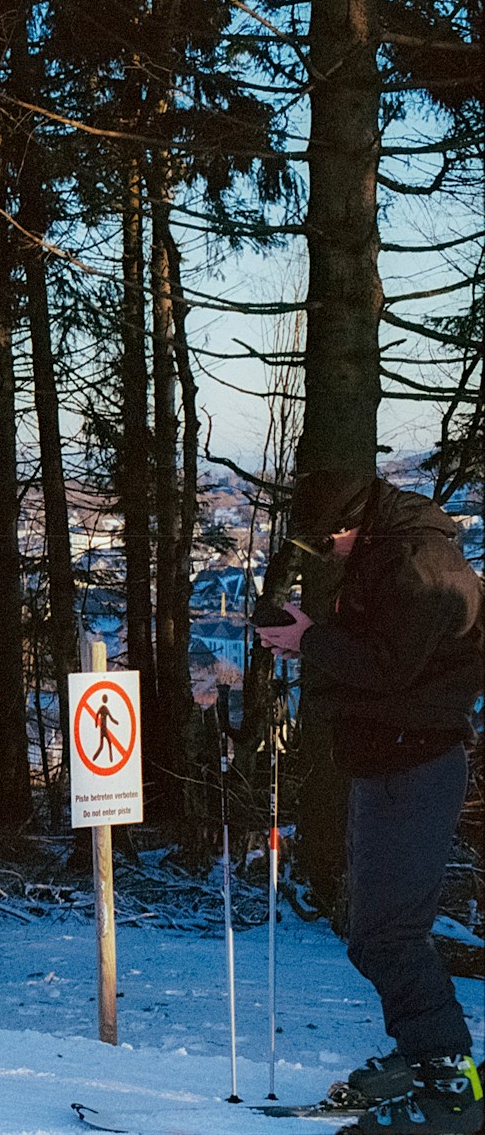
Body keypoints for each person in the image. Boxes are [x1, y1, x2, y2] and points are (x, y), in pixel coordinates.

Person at [256, 470, 483, 1134]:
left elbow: (388, 667)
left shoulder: (416, 562)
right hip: (390, 757)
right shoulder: (389, 554)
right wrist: (311, 634)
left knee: (388, 936)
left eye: (324, 543)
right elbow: (384, 653)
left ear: (350, 524)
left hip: (414, 760)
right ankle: (424, 1057)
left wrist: (308, 640)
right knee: (375, 932)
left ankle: (449, 1086)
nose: (324, 554)